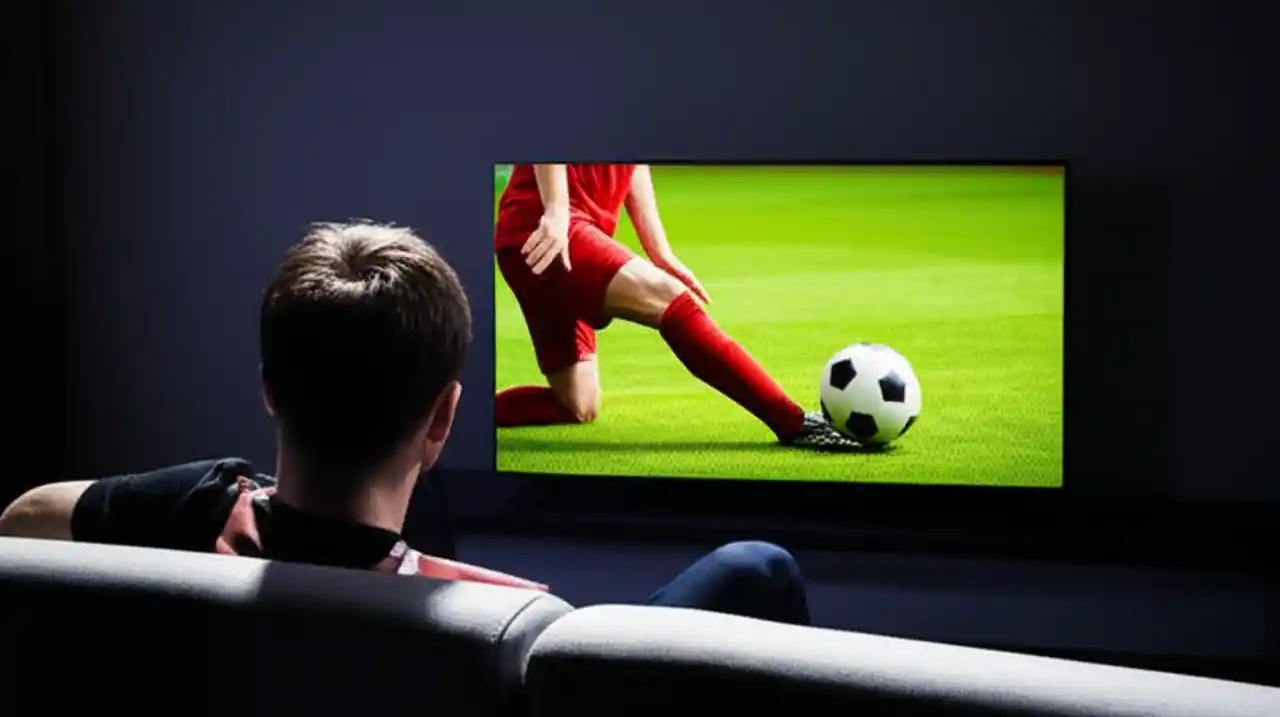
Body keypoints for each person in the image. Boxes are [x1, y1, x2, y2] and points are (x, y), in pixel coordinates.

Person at [0, 220, 809, 625]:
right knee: (756, 564)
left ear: (271, 391)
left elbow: (25, 519)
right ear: (444, 418)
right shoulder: (514, 622)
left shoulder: (200, 511)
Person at [494, 163, 857, 450]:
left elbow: (632, 165)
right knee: (669, 300)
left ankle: (463, 417)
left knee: (577, 404)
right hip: (545, 229)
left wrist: (660, 251)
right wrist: (556, 210)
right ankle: (793, 423)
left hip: (537, 236)